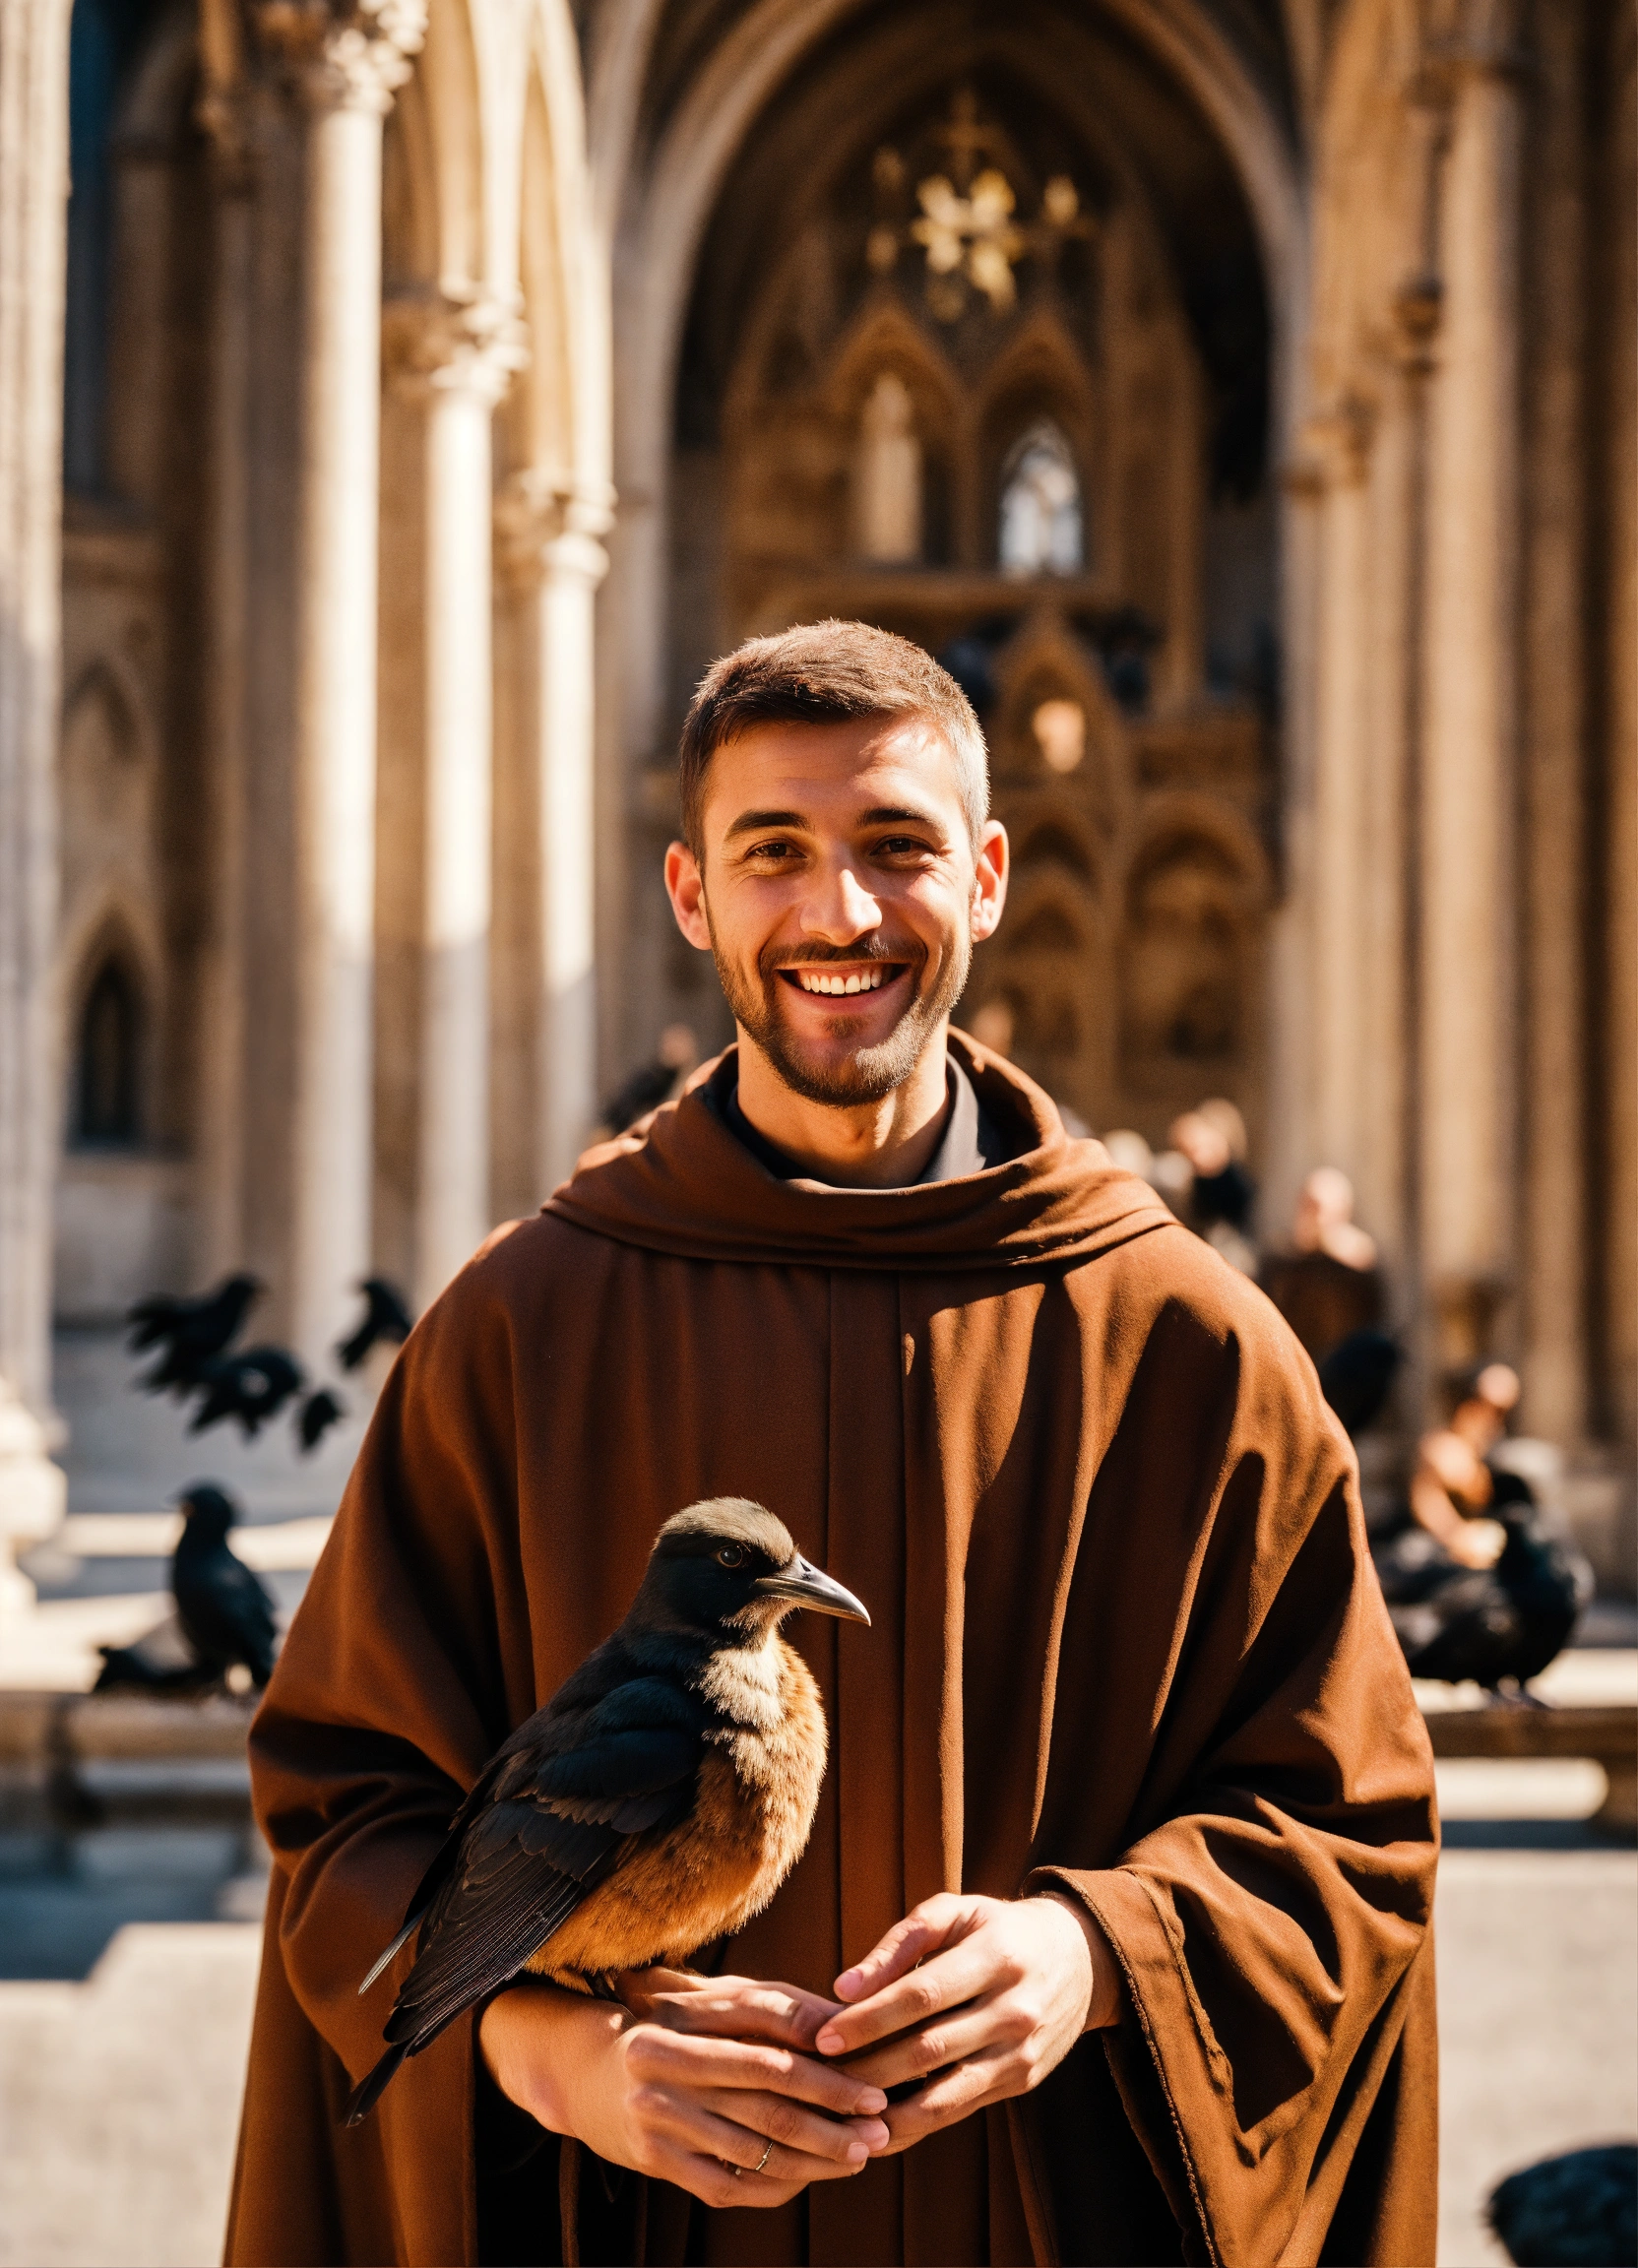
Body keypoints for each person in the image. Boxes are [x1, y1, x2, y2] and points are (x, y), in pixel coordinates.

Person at [226, 622, 1437, 2268]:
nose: (840, 913)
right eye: (773, 851)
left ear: (990, 873)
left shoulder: (1186, 1345)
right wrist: (561, 2054)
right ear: (689, 893)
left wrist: (1098, 1952)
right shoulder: (518, 1328)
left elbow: (1346, 1829)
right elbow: (342, 1811)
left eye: (895, 845)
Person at [1259, 1165, 1385, 1362]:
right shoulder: (1282, 1259)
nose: (1311, 1215)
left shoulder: (1356, 1263)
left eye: (1317, 1207)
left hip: (1342, 1368)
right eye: (1305, 1205)